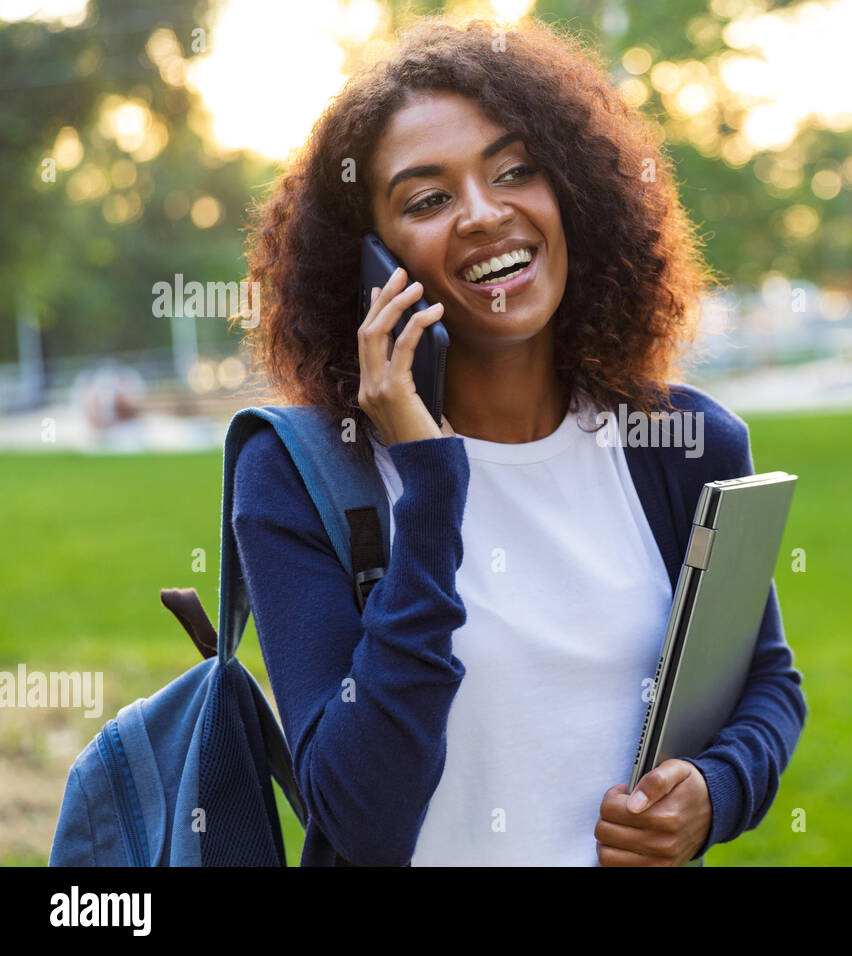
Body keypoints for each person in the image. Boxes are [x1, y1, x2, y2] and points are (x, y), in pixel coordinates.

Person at [234, 15, 805, 867]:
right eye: (427, 199)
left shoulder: (688, 445)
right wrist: (429, 482)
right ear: (368, 263)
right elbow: (360, 819)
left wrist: (718, 789)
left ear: (572, 194)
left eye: (515, 172)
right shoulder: (300, 470)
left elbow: (766, 682)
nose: (484, 213)